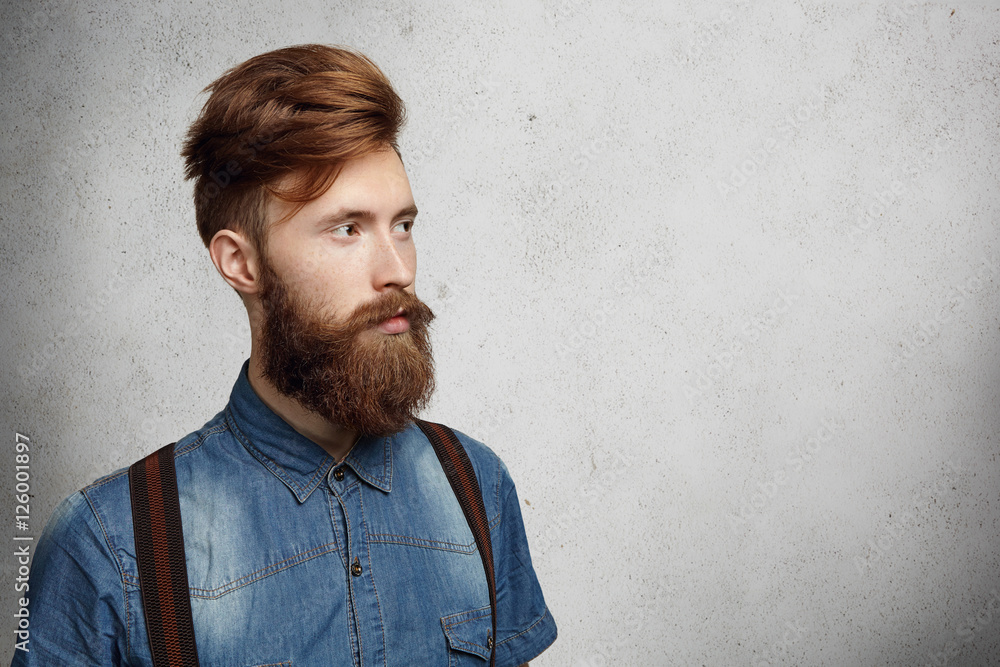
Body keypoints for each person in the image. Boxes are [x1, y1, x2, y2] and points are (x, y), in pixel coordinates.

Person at [14, 44, 556, 666]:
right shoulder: (110, 547)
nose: (398, 270)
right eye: (347, 229)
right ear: (240, 262)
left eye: (402, 225)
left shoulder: (476, 485)